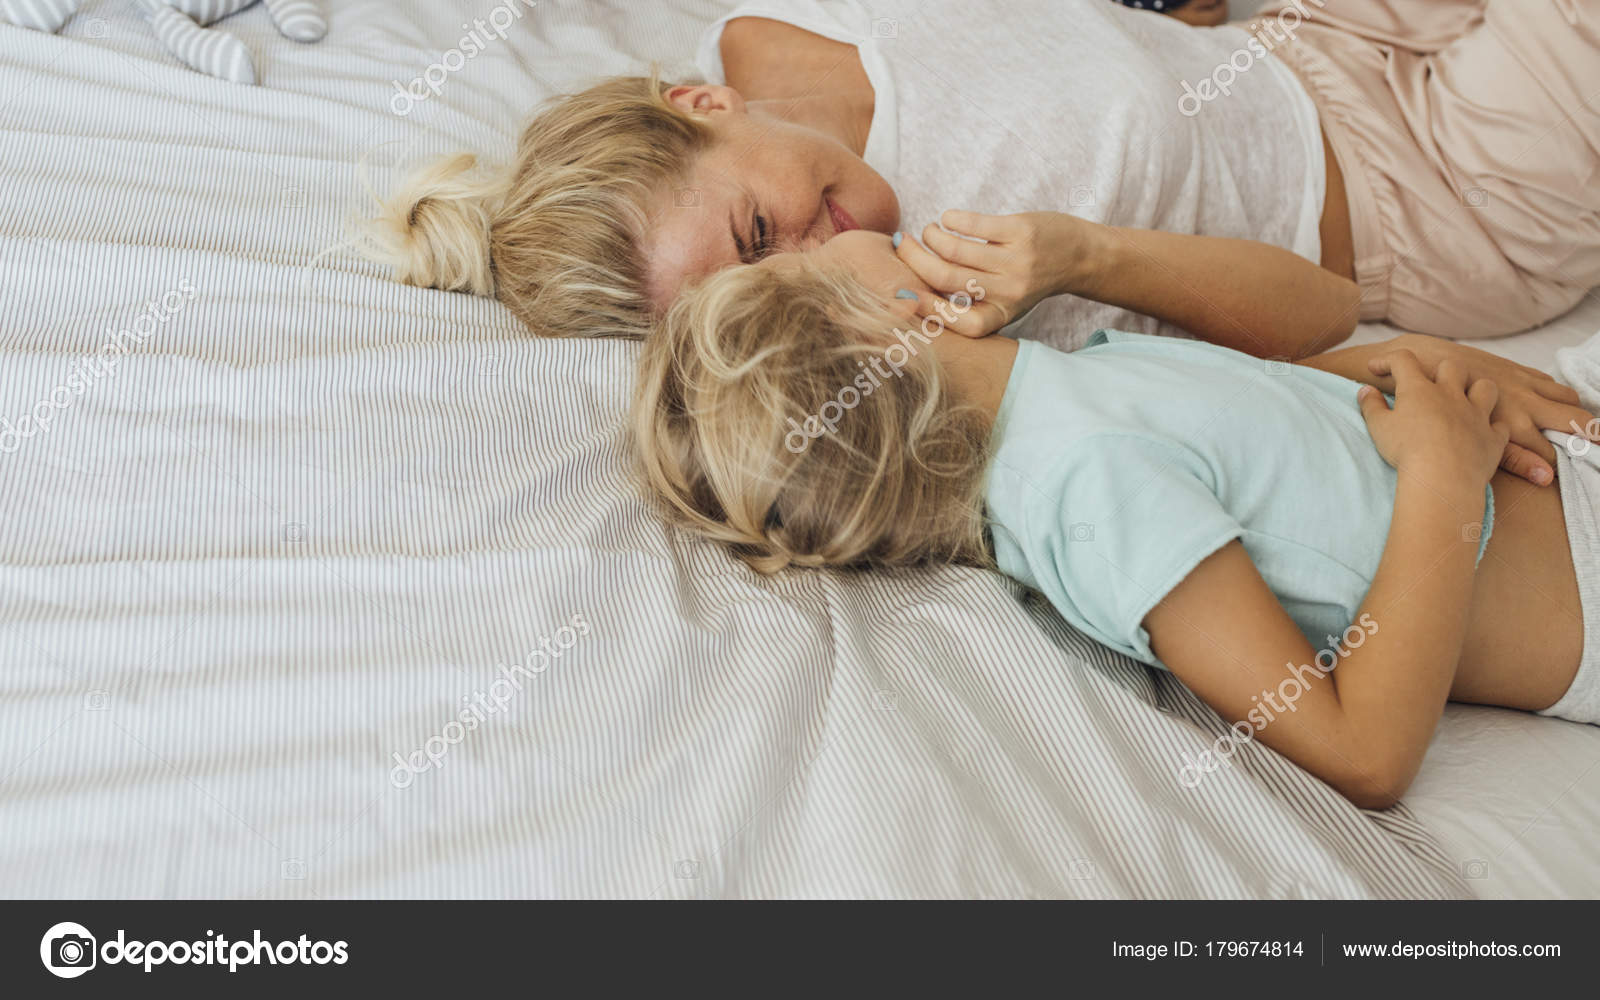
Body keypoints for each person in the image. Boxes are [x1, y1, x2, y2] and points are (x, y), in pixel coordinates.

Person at [628, 228, 1600, 808]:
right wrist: (1438, 476)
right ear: (874, 329)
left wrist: (1411, 373)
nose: (814, 230)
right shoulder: (1082, 486)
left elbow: (1258, 430)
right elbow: (1363, 754)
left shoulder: (1059, 390)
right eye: (779, 261)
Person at [365, 0, 1598, 351]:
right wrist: (1090, 256)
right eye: (761, 290)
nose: (810, 257)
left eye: (755, 231)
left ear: (704, 105)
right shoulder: (945, 301)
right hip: (1431, 188)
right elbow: (1322, 317)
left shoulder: (773, 33)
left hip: (1305, 35)